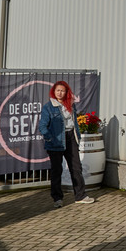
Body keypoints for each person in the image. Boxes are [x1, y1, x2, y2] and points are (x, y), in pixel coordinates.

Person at [39, 80, 95, 208]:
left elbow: (74, 122)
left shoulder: (70, 104)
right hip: (56, 140)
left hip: (70, 138)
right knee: (56, 170)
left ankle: (80, 196)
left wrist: (77, 137)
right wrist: (50, 138)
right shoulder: (48, 107)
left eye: (62, 91)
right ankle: (57, 198)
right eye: (57, 90)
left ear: (66, 92)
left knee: (76, 167)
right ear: (54, 91)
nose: (60, 93)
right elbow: (42, 126)